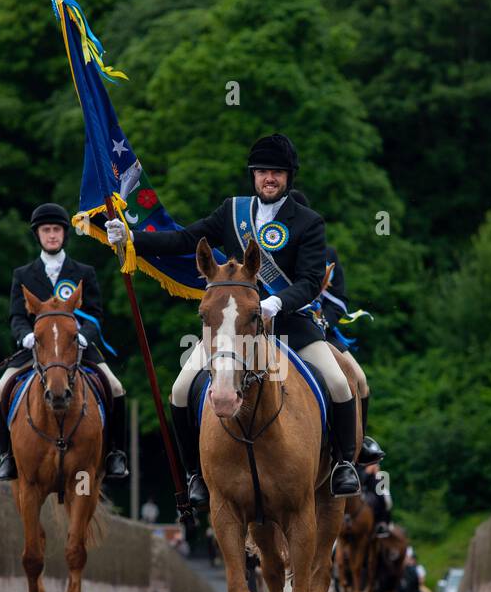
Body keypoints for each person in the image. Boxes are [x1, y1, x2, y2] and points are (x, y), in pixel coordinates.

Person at [105, 133, 361, 507]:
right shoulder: (232, 211)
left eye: (276, 172)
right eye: (262, 172)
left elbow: (308, 281)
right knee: (179, 389)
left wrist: (277, 303)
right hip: (232, 331)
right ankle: (195, 473)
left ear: (288, 177)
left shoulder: (308, 222)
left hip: (290, 324)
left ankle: (342, 465)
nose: (268, 178)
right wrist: (131, 239)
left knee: (339, 382)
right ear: (253, 176)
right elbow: (184, 239)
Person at [0, 203, 128, 481]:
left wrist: (82, 337)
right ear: (38, 235)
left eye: (56, 230)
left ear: (64, 234)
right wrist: (25, 336)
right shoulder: (23, 274)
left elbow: (96, 314)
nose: (51, 235)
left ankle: (115, 453)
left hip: (76, 348)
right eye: (46, 230)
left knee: (115, 387)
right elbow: (16, 316)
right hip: (36, 348)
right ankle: (7, 456)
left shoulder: (84, 272)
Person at [287, 189, 385, 467]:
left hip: (318, 329)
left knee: (360, 380)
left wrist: (324, 321)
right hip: (274, 329)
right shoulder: (261, 252)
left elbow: (339, 300)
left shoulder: (326, 255)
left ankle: (358, 444)